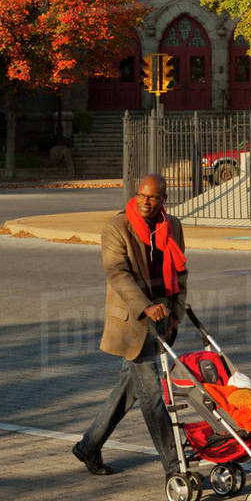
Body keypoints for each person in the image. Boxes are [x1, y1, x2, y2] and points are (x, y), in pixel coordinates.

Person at [72, 173, 187, 483]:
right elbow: (118, 273)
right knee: (152, 396)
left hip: (162, 317)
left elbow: (180, 271)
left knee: (129, 389)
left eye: (154, 198)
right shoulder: (116, 227)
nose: (147, 203)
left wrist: (175, 313)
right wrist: (145, 306)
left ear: (165, 199)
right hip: (134, 320)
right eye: (143, 196)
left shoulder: (172, 226)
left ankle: (89, 446)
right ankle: (175, 467)